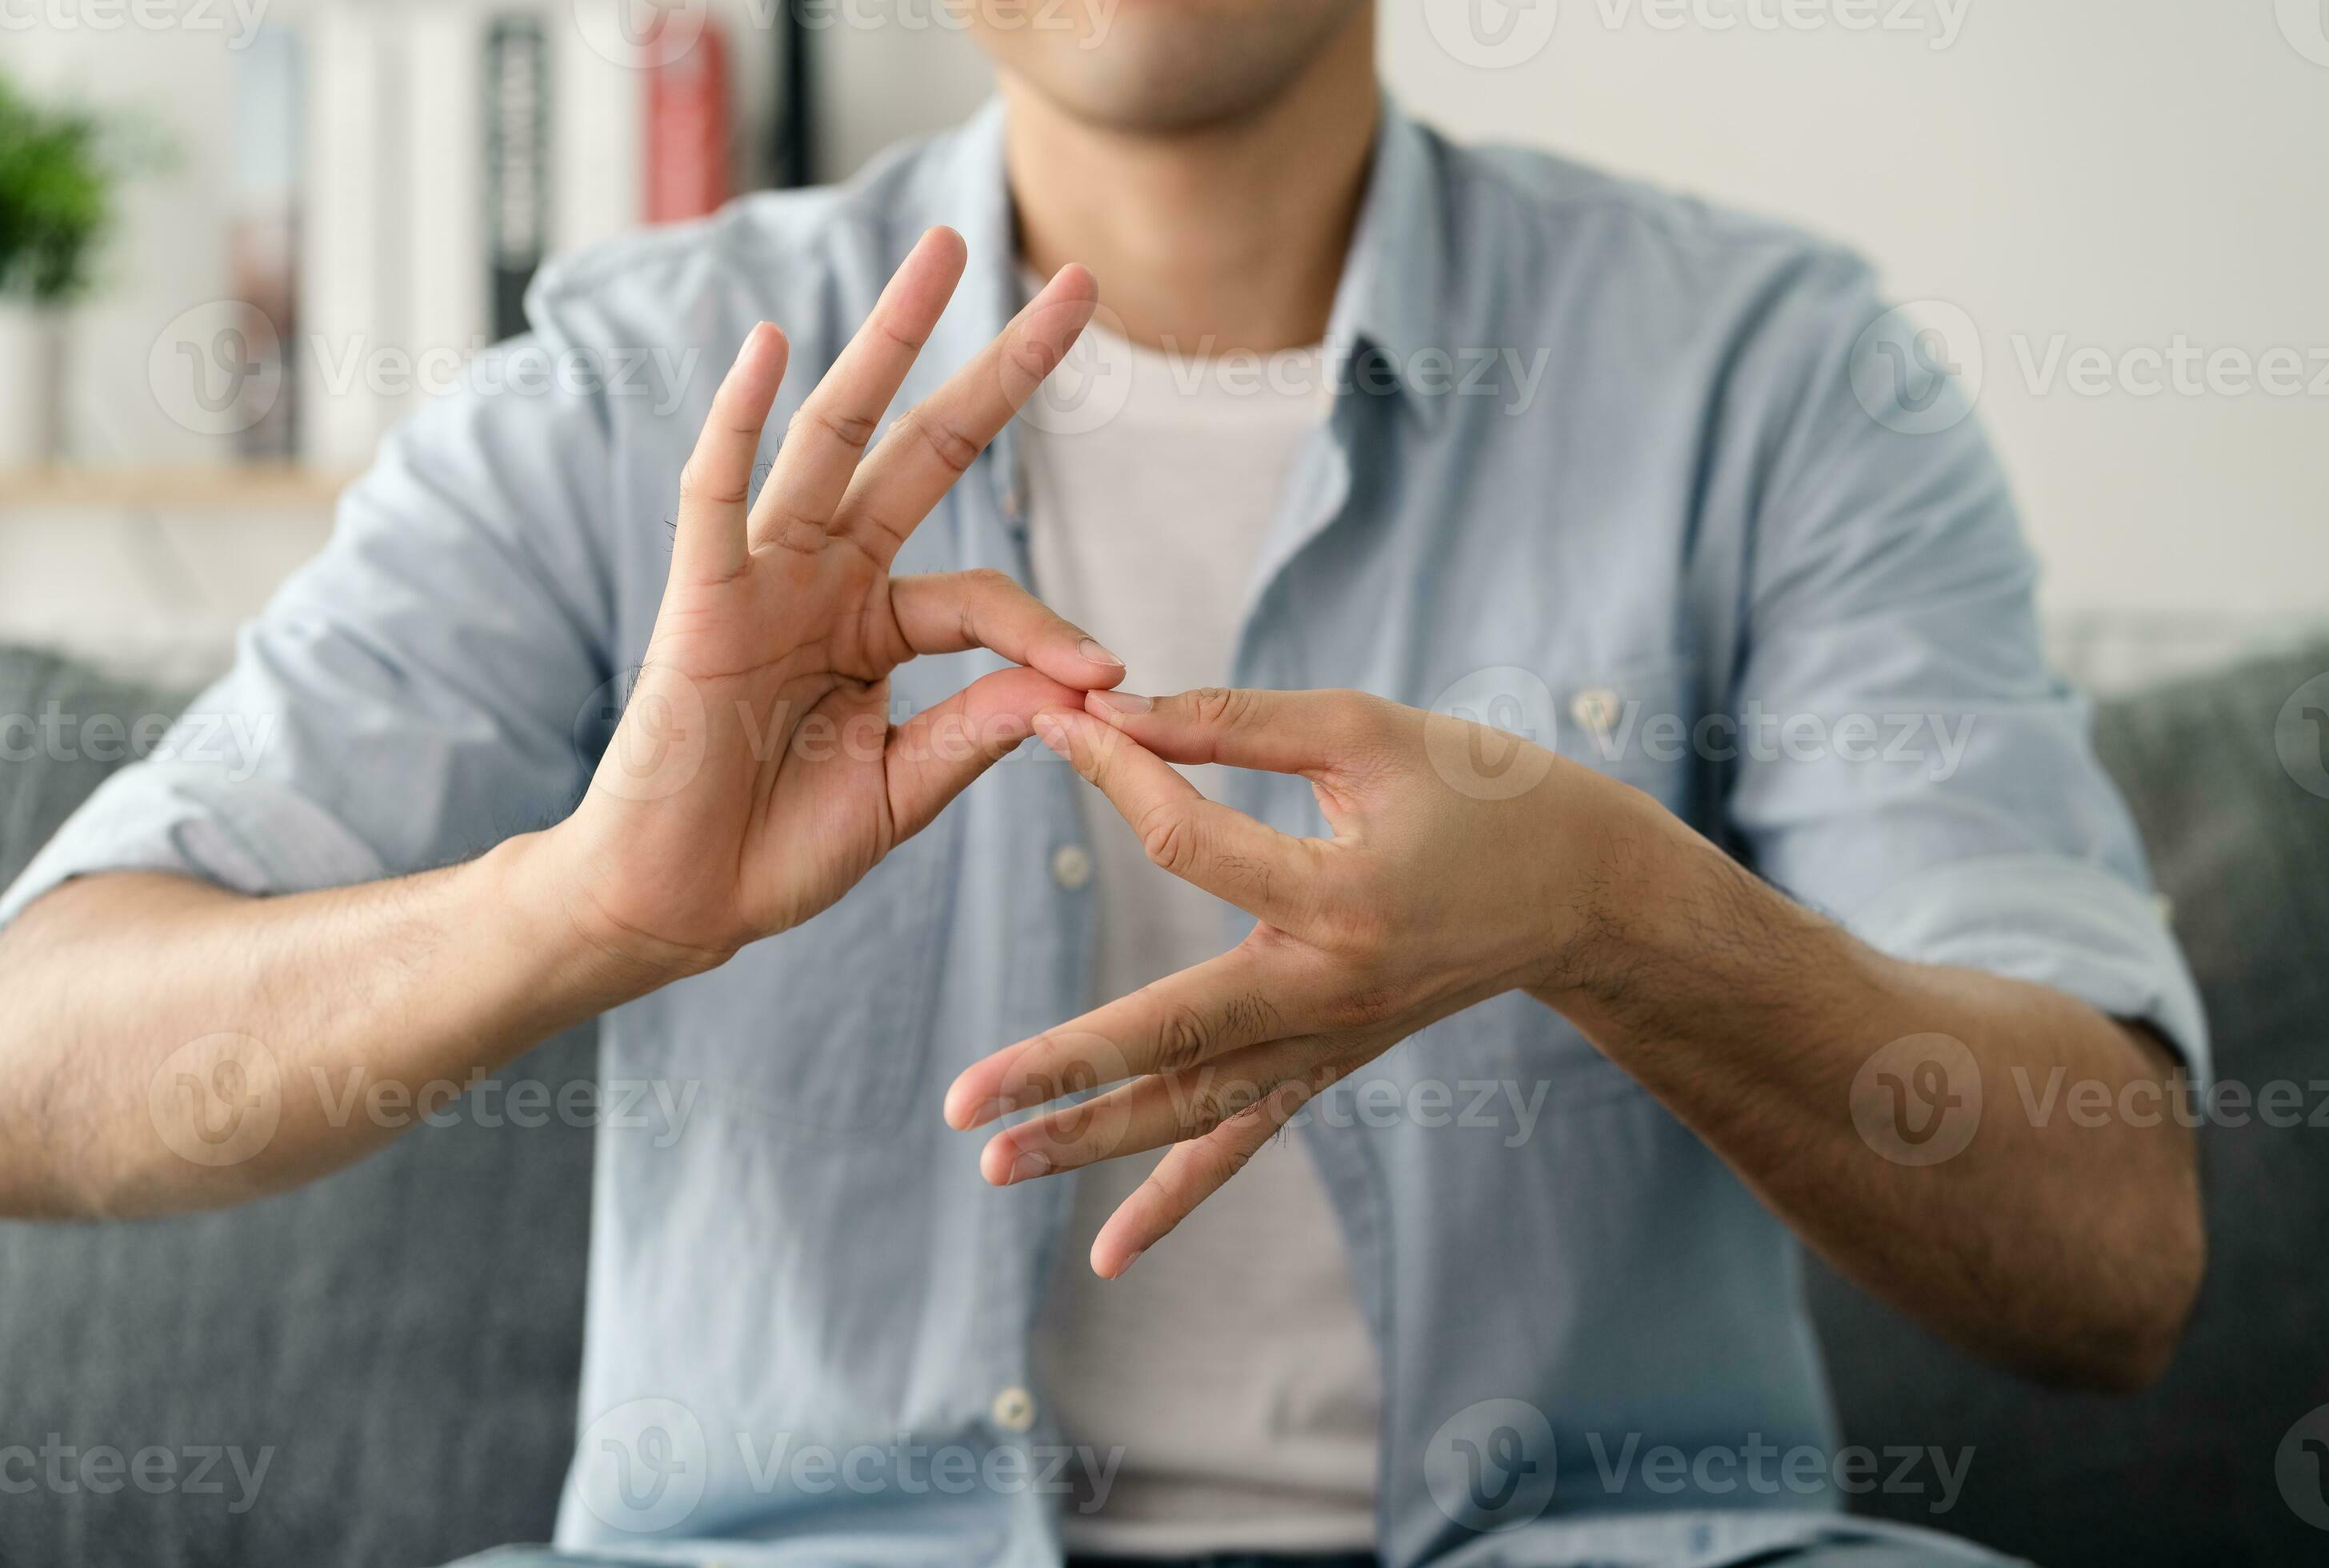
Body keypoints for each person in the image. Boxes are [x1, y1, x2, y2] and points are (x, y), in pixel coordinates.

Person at [0, 3, 2205, 1565]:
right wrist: (572, 901)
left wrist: (1617, 915)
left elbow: (2109, 1262)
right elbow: (39, 1070)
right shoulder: (630, 393)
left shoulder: (1771, 379)